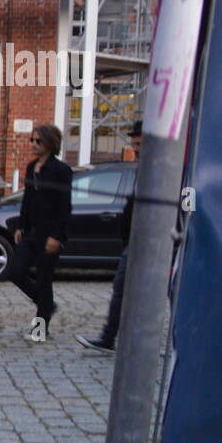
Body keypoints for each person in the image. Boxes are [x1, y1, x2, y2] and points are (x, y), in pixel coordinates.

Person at [78, 120, 141, 353]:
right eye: (134, 145)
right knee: (121, 289)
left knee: (169, 294)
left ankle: (178, 343)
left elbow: (190, 198)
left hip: (163, 242)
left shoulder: (175, 169)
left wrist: (187, 221)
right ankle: (108, 338)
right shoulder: (143, 168)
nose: (136, 150)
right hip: (134, 241)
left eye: (139, 145)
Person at [7, 123, 72, 342]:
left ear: (50, 143)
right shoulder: (31, 167)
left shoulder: (61, 171)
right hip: (31, 231)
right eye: (32, 140)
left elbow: (64, 206)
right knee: (15, 271)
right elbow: (27, 200)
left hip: (50, 233)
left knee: (45, 279)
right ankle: (47, 304)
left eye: (38, 141)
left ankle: (41, 327)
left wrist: (57, 236)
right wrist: (20, 226)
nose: (33, 144)